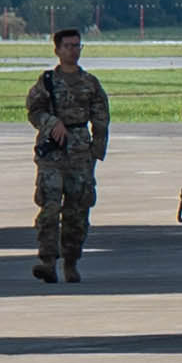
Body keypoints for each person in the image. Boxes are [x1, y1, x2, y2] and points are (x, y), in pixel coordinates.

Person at [27, 26, 111, 285]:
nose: (73, 51)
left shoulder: (90, 84)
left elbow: (101, 118)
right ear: (57, 50)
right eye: (68, 46)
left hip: (80, 155)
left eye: (77, 46)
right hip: (52, 153)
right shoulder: (47, 82)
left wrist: (96, 151)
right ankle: (47, 261)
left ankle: (71, 261)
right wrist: (52, 123)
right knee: (49, 209)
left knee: (77, 212)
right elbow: (34, 110)